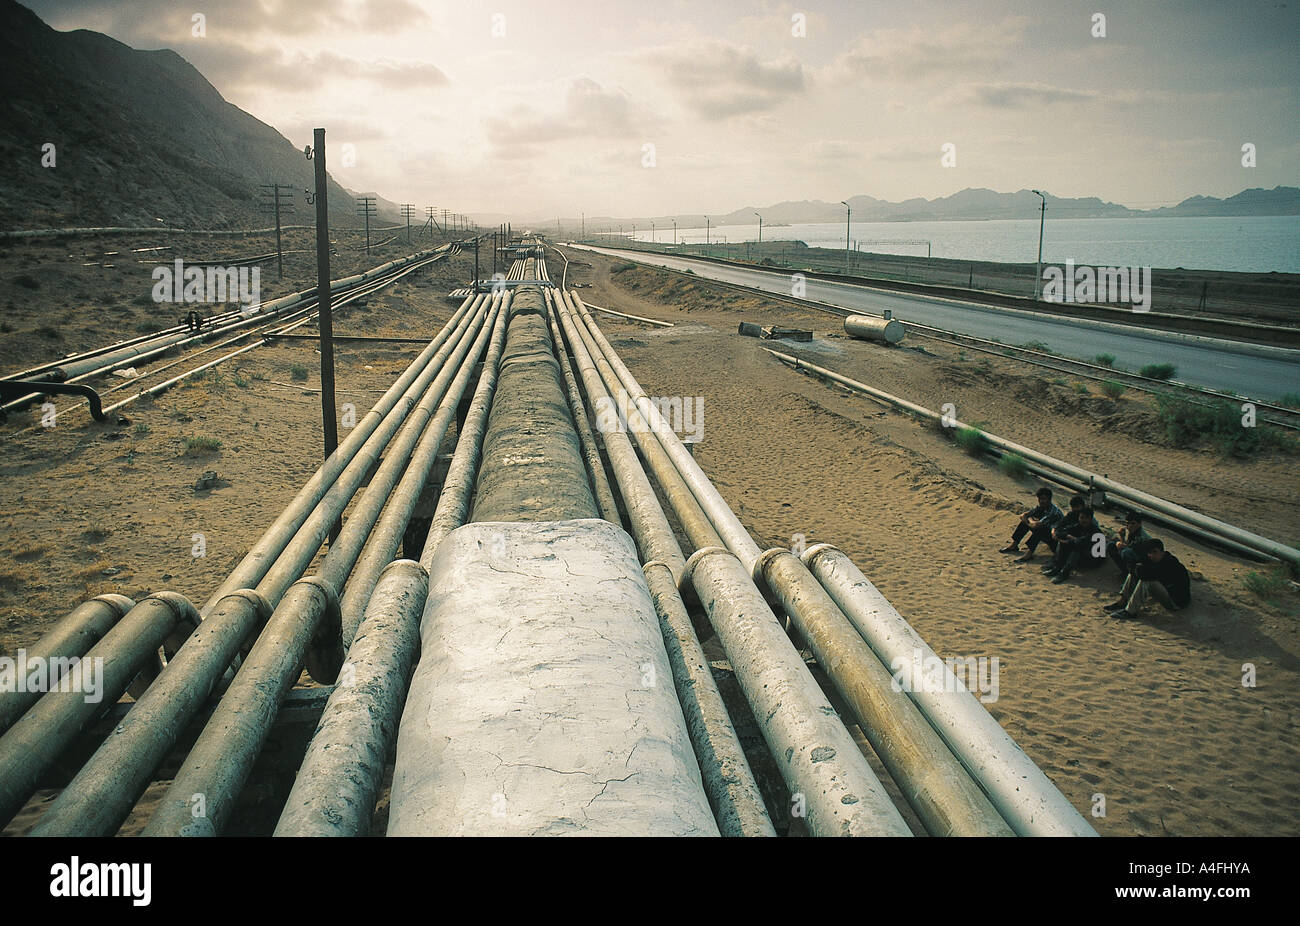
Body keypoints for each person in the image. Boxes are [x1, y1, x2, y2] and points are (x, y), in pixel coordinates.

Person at [1106, 539, 1191, 619]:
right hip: (1166, 590)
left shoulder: (1169, 563)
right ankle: (1123, 601)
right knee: (1134, 575)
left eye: (1155, 552)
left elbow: (1146, 575)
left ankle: (1131, 611)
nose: (1151, 555)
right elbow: (1137, 569)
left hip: (1176, 602)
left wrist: (1136, 568)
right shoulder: (1155, 560)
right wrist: (1135, 567)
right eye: (1150, 552)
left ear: (1162, 552)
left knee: (1147, 581)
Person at [1043, 506, 1107, 583]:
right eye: (1081, 517)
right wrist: (1067, 536)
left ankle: (1064, 573)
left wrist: (1070, 540)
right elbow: (1060, 531)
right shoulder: (1078, 526)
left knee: (1076, 547)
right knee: (1066, 543)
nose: (1083, 520)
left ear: (1090, 519)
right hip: (1083, 554)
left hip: (1094, 559)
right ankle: (1057, 567)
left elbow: (1081, 542)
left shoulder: (1095, 532)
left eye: (1086, 518)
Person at [999, 488, 1062, 559]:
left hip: (1055, 539)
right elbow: (1023, 515)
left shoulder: (1053, 511)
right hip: (1044, 532)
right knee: (1024, 523)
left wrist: (1029, 520)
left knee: (1040, 528)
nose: (1041, 501)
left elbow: (1036, 524)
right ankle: (1014, 545)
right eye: (1040, 499)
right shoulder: (1040, 507)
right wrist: (1030, 521)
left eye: (1044, 499)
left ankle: (1029, 553)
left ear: (1049, 499)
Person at [1107, 512, 1149, 577]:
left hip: (1143, 561)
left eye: (1133, 523)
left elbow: (1132, 550)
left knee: (1125, 553)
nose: (1129, 526)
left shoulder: (1142, 537)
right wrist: (1122, 537)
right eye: (1128, 523)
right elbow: (1128, 545)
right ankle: (1125, 572)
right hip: (1134, 554)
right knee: (1111, 545)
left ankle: (1131, 576)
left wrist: (1121, 543)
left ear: (1139, 524)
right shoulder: (1133, 532)